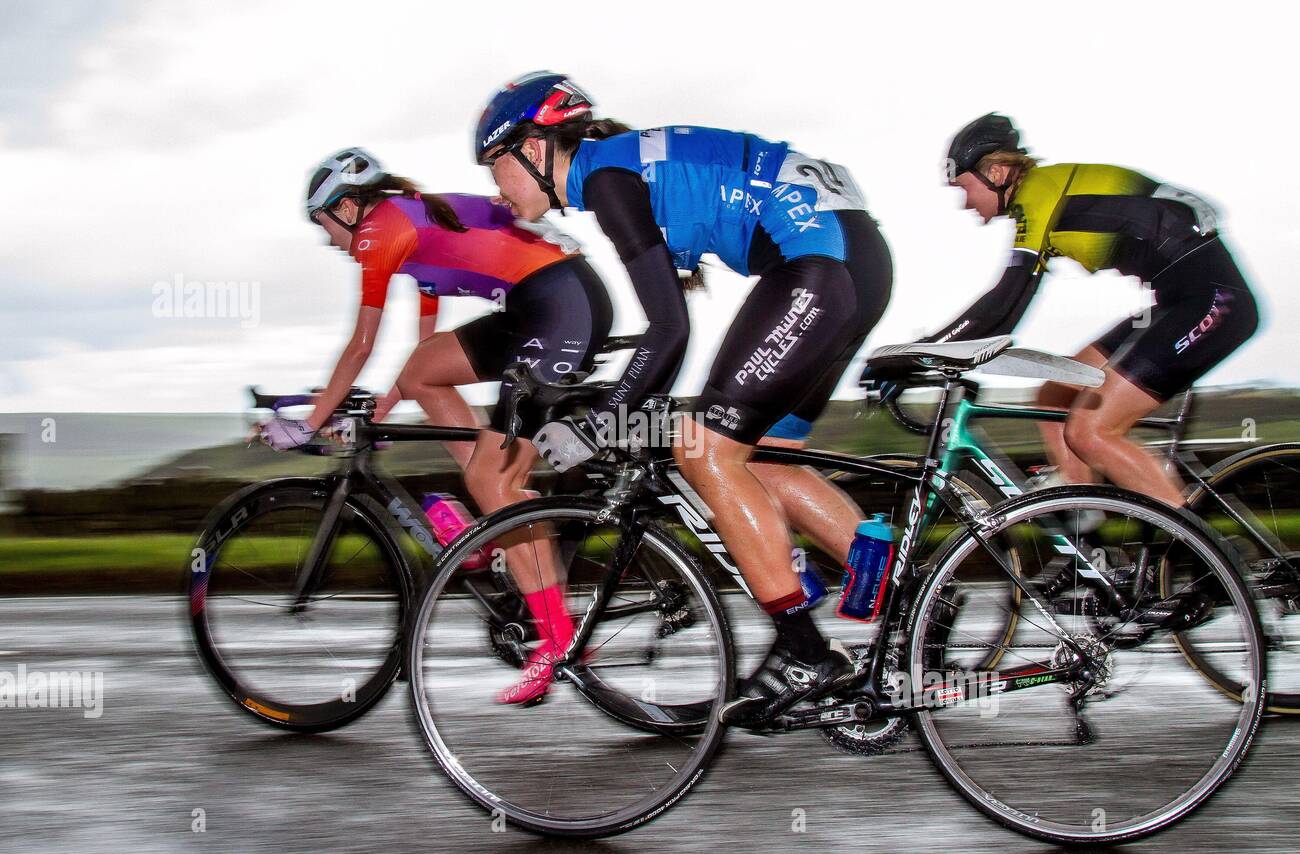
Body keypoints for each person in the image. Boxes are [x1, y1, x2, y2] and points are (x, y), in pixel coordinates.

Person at [475, 72, 894, 725]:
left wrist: (602, 423)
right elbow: (661, 344)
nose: (493, 187)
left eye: (494, 165)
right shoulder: (623, 172)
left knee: (708, 452)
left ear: (534, 148)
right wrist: (615, 406)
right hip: (852, 259)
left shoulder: (609, 178)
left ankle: (806, 653)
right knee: (766, 459)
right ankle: (914, 598)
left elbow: (670, 330)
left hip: (819, 262)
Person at [264, 147, 613, 703]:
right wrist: (380, 407)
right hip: (539, 303)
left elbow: (361, 344)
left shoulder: (380, 232)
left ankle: (557, 639)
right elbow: (423, 357)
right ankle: (491, 516)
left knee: (492, 484)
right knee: (428, 377)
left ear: (349, 208)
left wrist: (311, 421)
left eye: (324, 224)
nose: (327, 240)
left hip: (558, 304)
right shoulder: (410, 228)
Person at [915, 114, 1259, 507]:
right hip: (1177, 304)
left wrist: (925, 349)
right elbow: (1011, 305)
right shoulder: (1041, 202)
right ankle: (1083, 531)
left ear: (996, 171)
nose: (965, 203)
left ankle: (1199, 555)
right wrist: (933, 349)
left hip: (1214, 303)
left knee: (1090, 432)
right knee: (1054, 395)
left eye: (965, 187)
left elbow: (1005, 300)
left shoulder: (1038, 191)